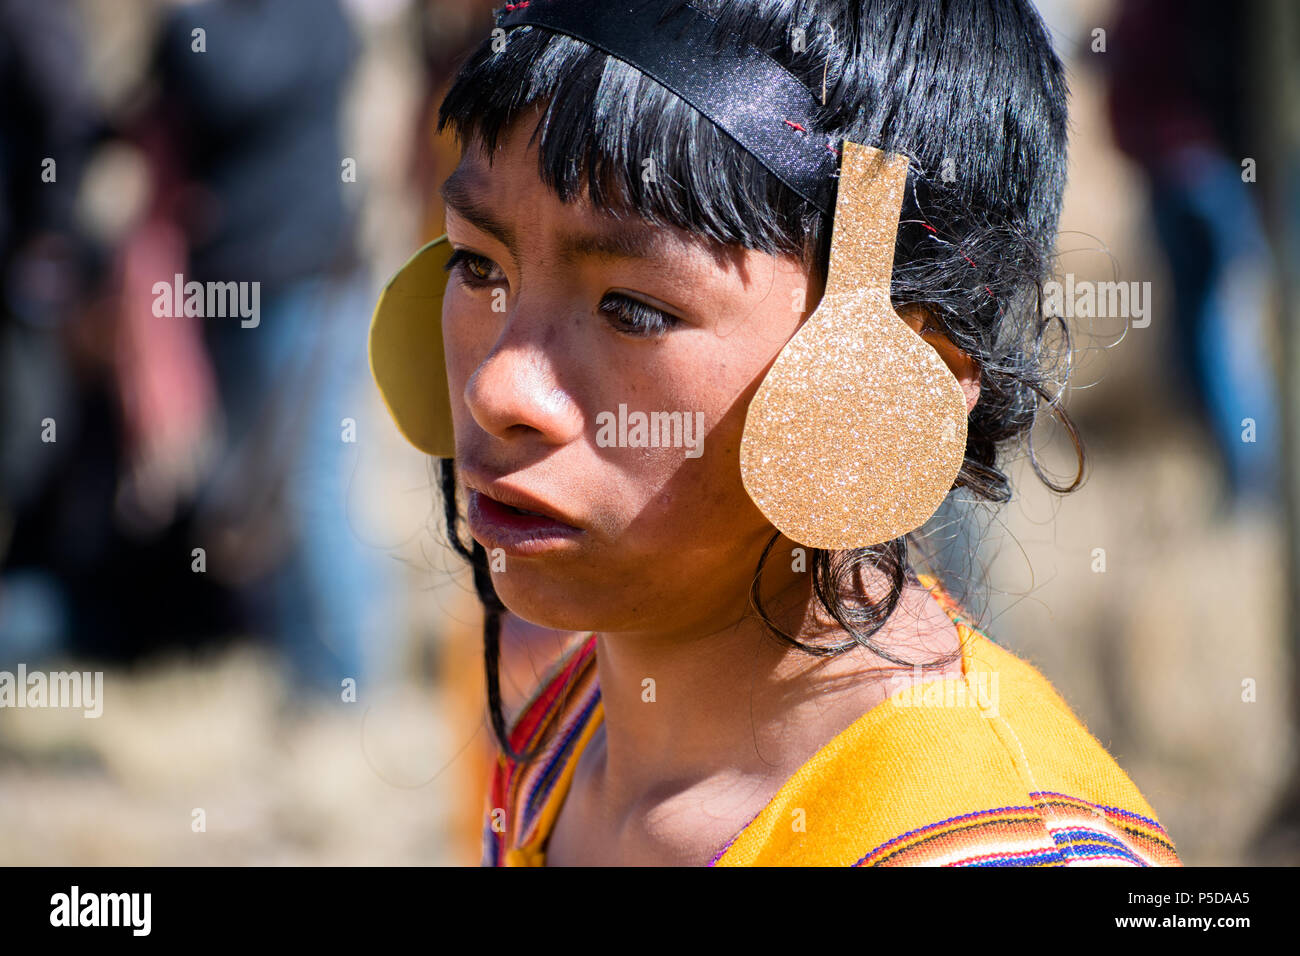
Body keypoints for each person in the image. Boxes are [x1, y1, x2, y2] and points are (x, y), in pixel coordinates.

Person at [371, 0, 1182, 866]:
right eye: (478, 265)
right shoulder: (569, 733)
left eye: (634, 309)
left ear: (886, 377)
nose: (500, 387)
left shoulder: (990, 848)